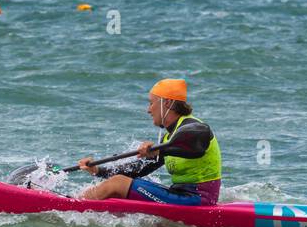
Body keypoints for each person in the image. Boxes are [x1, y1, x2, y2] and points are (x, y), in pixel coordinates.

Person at [77, 79, 222, 205]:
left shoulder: (193, 127)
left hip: (198, 199)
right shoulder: (167, 139)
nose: (148, 110)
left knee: (118, 183)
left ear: (167, 103)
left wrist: (161, 150)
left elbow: (198, 138)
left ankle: (73, 204)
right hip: (180, 194)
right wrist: (98, 170)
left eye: (151, 103)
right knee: (119, 182)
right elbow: (138, 170)